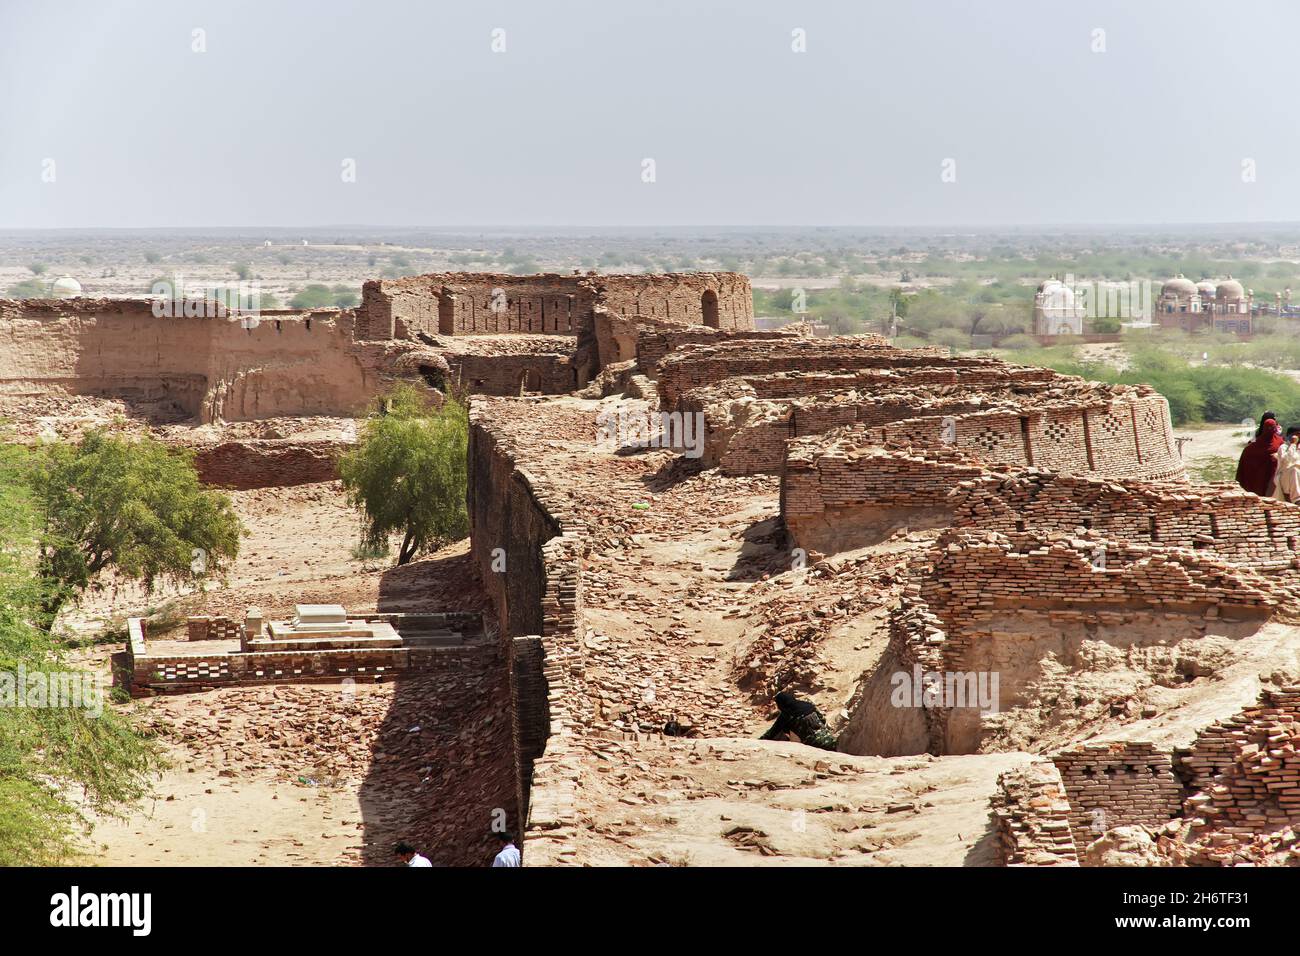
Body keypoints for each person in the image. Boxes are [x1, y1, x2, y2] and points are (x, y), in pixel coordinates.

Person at [758, 691, 838, 751]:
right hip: (831, 740)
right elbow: (823, 719)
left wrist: (759, 741)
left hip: (814, 744)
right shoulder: (808, 705)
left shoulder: (787, 716)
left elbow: (772, 732)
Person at [1236, 417, 1283, 496]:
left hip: (1273, 474)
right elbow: (1247, 456)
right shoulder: (1255, 444)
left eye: (1272, 427)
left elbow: (1285, 455)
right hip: (1258, 477)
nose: (1270, 429)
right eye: (1268, 428)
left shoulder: (1279, 441)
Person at [1275, 427, 1300, 503]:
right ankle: (1297, 499)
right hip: (1286, 475)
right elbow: (1286, 461)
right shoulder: (1283, 447)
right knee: (1294, 470)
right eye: (1297, 434)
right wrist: (1293, 444)